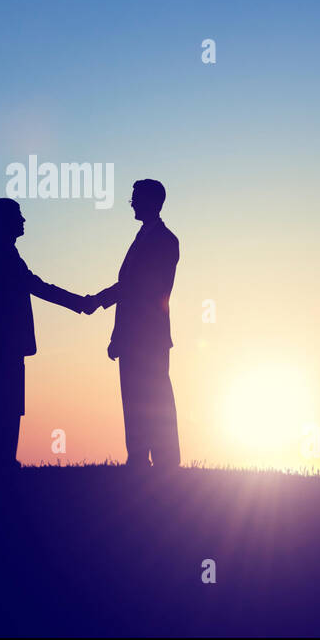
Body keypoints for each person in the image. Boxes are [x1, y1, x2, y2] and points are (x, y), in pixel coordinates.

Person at [0, 198, 89, 471]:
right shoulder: (1, 257)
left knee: (2, 404)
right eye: (18, 216)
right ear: (2, 223)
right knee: (5, 405)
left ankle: (0, 461)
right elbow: (37, 287)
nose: (24, 221)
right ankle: (1, 462)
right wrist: (80, 303)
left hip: (1, 344)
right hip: (6, 344)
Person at [88, 179, 181, 469]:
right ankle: (139, 458)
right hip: (133, 336)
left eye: (135, 197)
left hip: (148, 337)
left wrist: (97, 300)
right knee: (134, 398)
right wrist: (118, 335)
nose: (131, 203)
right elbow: (130, 289)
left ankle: (165, 460)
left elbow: (139, 288)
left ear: (153, 201)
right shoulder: (144, 237)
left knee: (154, 398)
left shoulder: (165, 240)